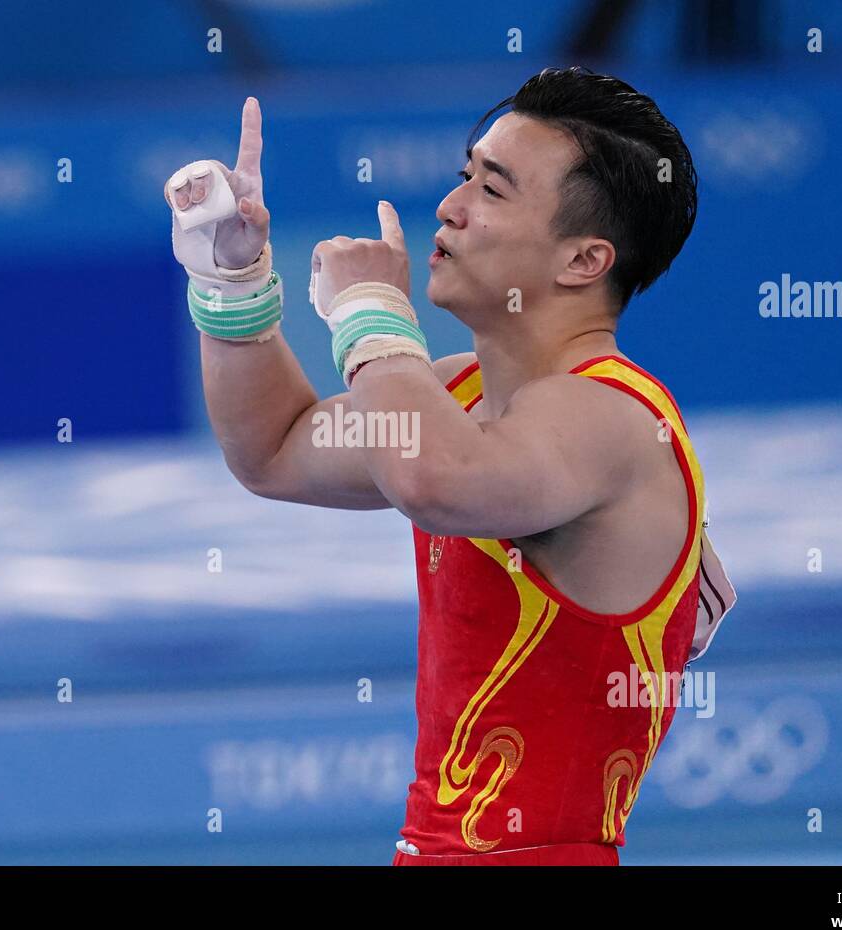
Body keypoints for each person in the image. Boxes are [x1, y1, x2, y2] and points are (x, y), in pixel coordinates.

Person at [164, 67, 735, 866]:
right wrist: (233, 279)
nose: (449, 205)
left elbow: (438, 482)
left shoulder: (613, 418)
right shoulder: (456, 393)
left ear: (583, 260)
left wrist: (372, 313)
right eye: (465, 174)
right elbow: (274, 448)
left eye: (493, 191)